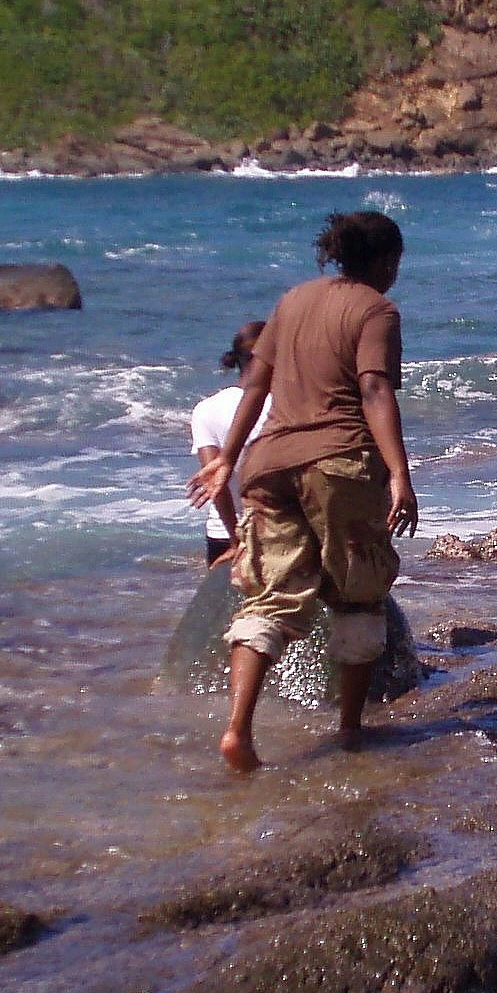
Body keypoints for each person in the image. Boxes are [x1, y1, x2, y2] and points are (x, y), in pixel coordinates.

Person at [189, 212, 420, 771]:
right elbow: (372, 387)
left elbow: (255, 385)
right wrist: (399, 473)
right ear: (388, 261)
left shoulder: (291, 301)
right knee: (359, 594)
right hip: (339, 463)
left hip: (269, 464)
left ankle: (238, 730)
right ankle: (349, 729)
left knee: (270, 598)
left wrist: (226, 457)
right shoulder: (376, 309)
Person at [188, 320, 267, 564]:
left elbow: (215, 481)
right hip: (274, 531)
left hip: (222, 531)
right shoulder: (285, 406)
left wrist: (236, 541)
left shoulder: (206, 408)